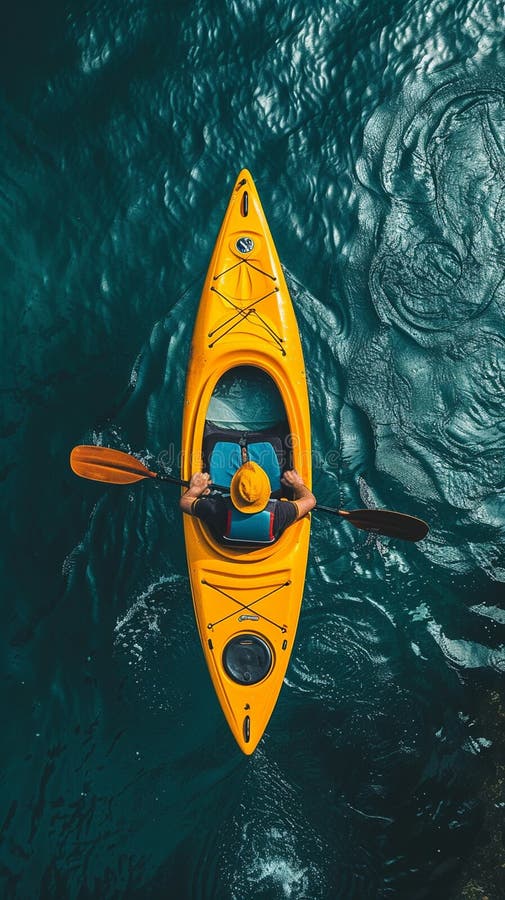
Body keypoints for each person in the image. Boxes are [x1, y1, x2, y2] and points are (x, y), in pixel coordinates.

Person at [179, 461, 315, 546]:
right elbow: (310, 501)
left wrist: (196, 489)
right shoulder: (280, 512)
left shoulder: (216, 510)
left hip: (224, 545)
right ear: (266, 491)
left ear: (234, 490)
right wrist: (297, 485)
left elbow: (184, 502)